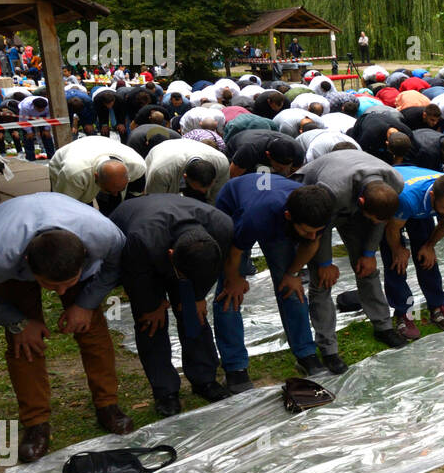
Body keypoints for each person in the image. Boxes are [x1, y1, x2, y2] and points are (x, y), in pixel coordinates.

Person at [0, 193, 133, 462]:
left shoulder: (105, 235)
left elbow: (114, 267)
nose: (60, 292)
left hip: (71, 233)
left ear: (84, 257)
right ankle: (36, 423)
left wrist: (84, 303)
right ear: (28, 266)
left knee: (91, 327)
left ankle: (108, 405)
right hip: (8, 242)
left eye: (68, 282)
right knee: (23, 342)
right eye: (50, 286)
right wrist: (18, 322)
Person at [108, 194, 234, 417]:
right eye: (182, 275)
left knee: (193, 316)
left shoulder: (222, 227)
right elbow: (136, 278)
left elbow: (212, 269)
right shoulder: (140, 239)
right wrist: (152, 305)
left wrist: (197, 296)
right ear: (171, 256)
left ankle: (204, 379)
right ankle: (165, 391)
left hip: (185, 255)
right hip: (140, 262)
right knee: (151, 323)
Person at [212, 174, 336, 390]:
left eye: (318, 230)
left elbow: (312, 243)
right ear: (289, 216)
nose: (313, 235)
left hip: (273, 208)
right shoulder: (256, 217)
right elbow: (234, 252)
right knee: (229, 293)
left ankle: (306, 354)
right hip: (233, 206)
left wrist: (292, 274)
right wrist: (234, 279)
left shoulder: (317, 210)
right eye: (307, 231)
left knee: (292, 288)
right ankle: (235, 368)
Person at [300, 150, 408, 354]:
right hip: (317, 204)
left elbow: (380, 221)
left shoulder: (395, 182)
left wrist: (368, 254)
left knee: (367, 268)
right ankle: (327, 346)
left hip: (354, 197)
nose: (376, 222)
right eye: (373, 217)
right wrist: (324, 264)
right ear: (361, 204)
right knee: (322, 279)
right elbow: (320, 227)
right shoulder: (332, 190)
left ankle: (383, 326)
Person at [382, 166, 444, 337]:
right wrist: (398, 249)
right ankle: (403, 312)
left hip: (420, 206)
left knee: (426, 257)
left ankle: (437, 306)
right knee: (396, 261)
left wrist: (429, 246)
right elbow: (392, 228)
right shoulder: (406, 198)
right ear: (432, 196)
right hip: (394, 204)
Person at [48, 136, 147, 215]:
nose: (115, 194)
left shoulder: (137, 166)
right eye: (108, 190)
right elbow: (65, 208)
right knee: (81, 209)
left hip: (102, 147)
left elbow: (135, 198)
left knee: (114, 204)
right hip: (68, 160)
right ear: (96, 176)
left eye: (120, 189)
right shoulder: (74, 174)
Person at [144, 137, 231, 202]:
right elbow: (154, 204)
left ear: (213, 181)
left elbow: (215, 200)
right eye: (197, 189)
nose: (201, 191)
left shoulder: (222, 164)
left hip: (190, 151)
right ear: (185, 177)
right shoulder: (160, 171)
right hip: (164, 152)